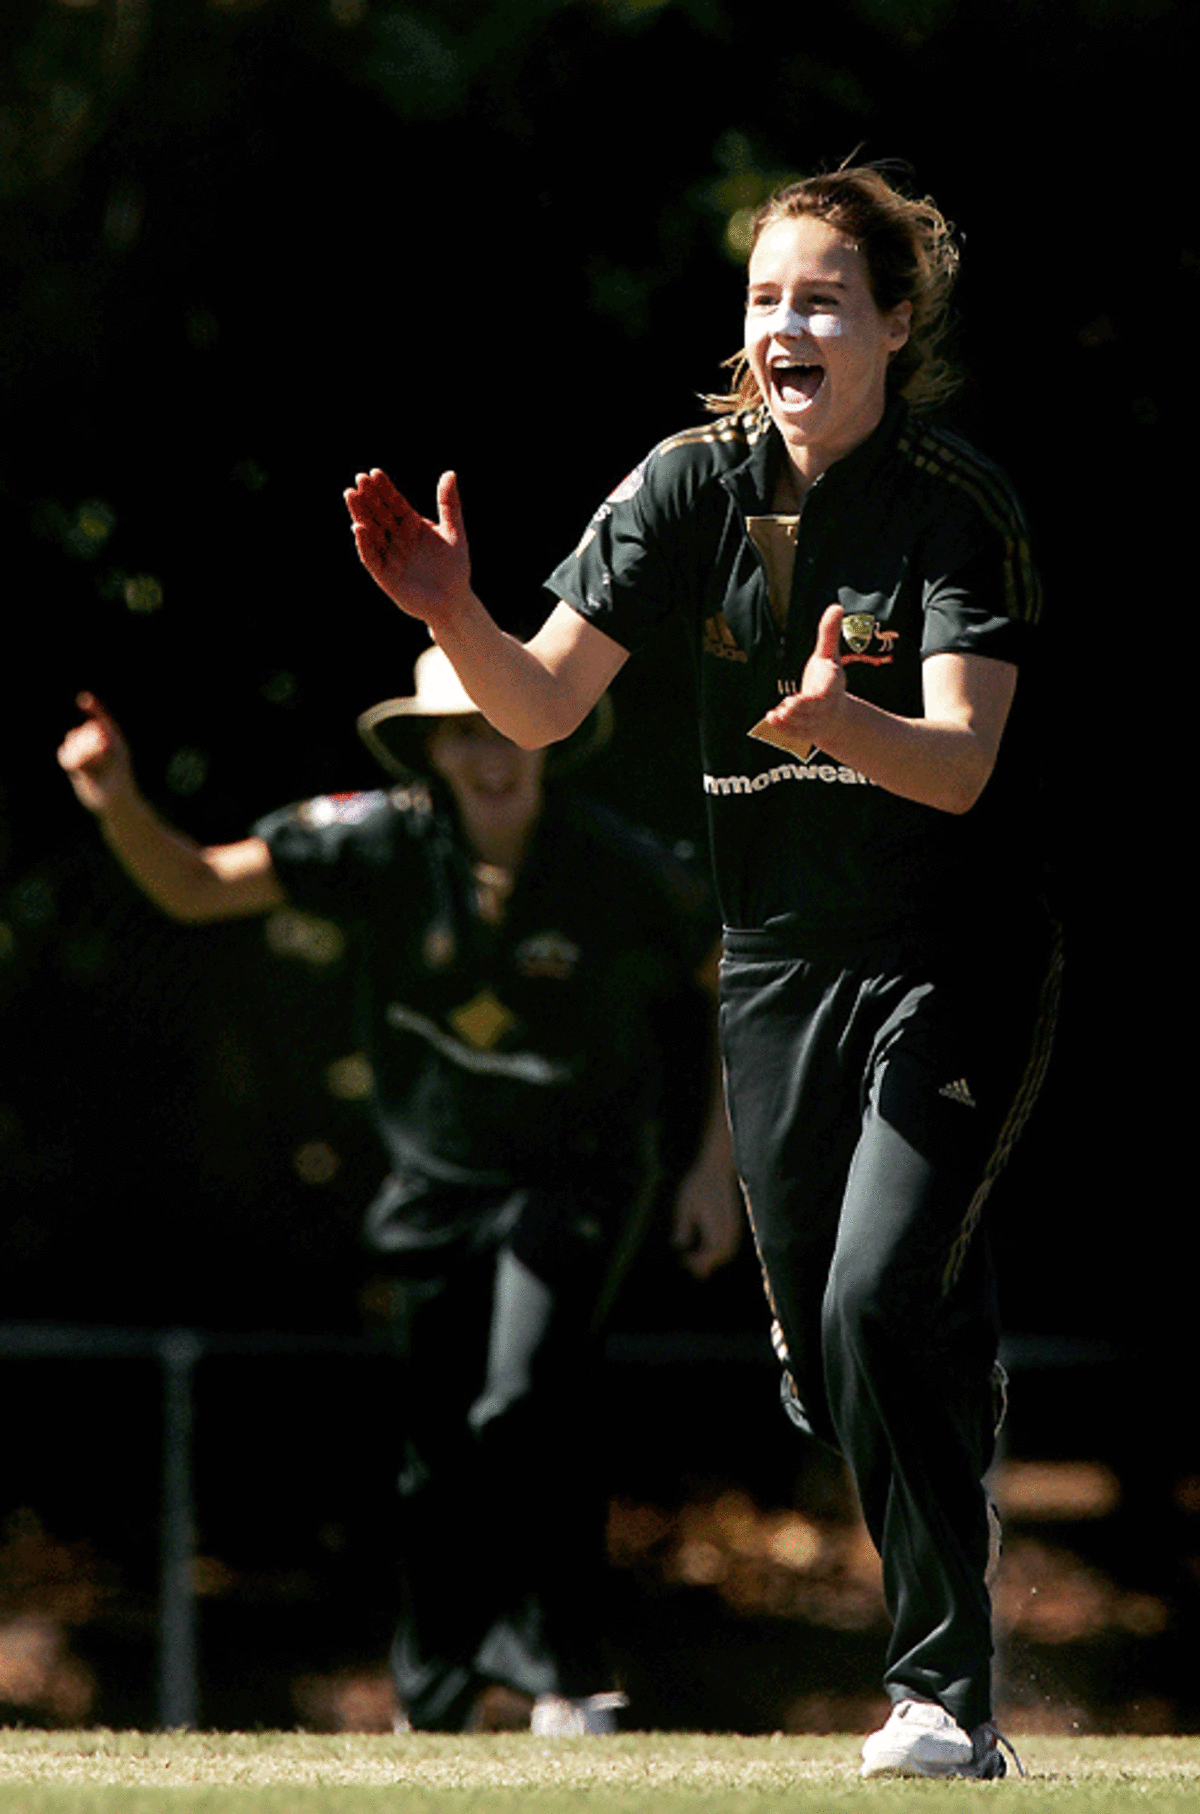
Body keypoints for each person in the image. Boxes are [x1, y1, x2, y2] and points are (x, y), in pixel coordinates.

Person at [343, 165, 1059, 1777]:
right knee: (836, 1337)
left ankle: (944, 1693)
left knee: (885, 1290)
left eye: (820, 299)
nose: (785, 327)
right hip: (780, 973)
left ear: (894, 324)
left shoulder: (957, 500)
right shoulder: (686, 485)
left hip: (953, 958)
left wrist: (835, 725)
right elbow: (535, 706)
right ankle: (939, 1365)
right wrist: (455, 612)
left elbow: (956, 766)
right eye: (763, 299)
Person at [57, 664, 739, 1735]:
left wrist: (712, 1170)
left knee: (521, 1398)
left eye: (509, 722)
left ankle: (561, 1672)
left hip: (579, 1177)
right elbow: (193, 885)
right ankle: (436, 1694)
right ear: (426, 752)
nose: (489, 750)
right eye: (461, 732)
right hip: (432, 1189)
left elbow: (728, 981)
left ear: (549, 735)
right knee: (434, 1448)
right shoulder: (375, 842)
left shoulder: (616, 863)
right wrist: (119, 802)